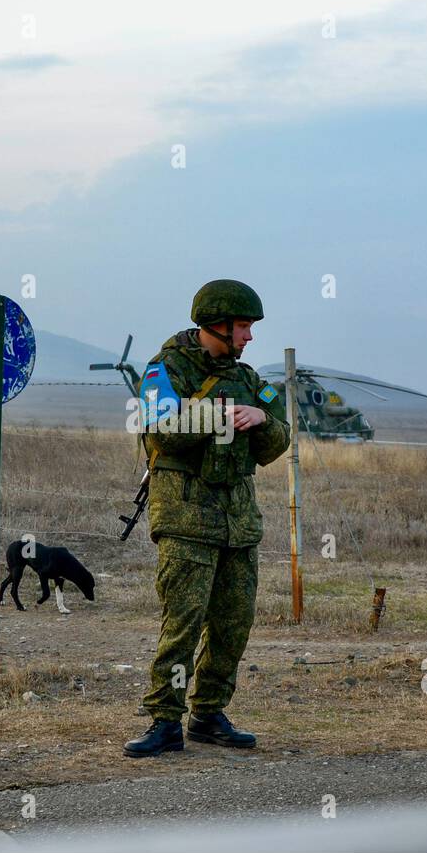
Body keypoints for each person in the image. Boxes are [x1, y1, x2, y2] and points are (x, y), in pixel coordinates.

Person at [123, 279, 291, 757]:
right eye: (243, 327)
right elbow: (161, 426)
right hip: (185, 517)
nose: (249, 338)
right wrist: (222, 413)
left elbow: (279, 439)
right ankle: (164, 721)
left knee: (233, 623)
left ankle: (209, 713)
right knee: (182, 621)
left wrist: (262, 420)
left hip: (238, 521)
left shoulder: (250, 378)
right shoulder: (165, 369)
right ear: (216, 324)